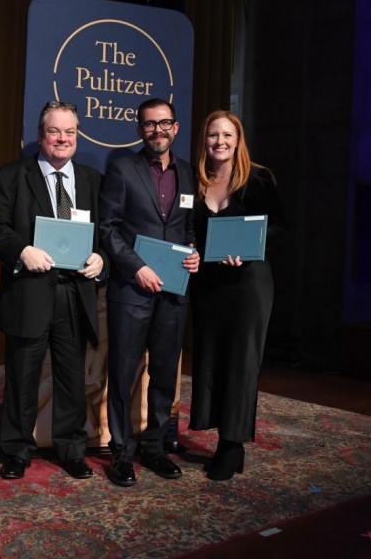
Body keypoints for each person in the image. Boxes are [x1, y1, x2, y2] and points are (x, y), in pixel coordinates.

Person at [0, 101, 108, 481]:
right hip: (29, 289)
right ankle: (17, 450)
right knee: (21, 377)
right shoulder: (11, 176)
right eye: (54, 131)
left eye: (70, 132)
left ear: (77, 136)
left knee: (72, 378)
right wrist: (22, 251)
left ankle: (72, 450)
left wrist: (101, 257)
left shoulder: (92, 180)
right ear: (41, 136)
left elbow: (106, 231)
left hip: (76, 293)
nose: (62, 139)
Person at [98, 97, 200, 487]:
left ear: (175, 128)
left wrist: (194, 255)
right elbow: (108, 228)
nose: (157, 131)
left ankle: (154, 446)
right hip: (131, 289)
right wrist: (136, 267)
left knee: (163, 373)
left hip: (173, 293)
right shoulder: (122, 168)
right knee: (123, 372)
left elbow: (188, 229)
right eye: (149, 125)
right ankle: (121, 451)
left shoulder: (189, 174)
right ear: (139, 129)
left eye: (164, 124)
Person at [189, 110, 288, 480]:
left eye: (227, 135)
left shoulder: (258, 178)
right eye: (213, 135)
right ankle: (220, 435)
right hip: (209, 286)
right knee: (212, 358)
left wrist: (250, 247)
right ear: (205, 140)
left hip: (249, 284)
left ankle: (232, 445)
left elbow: (280, 227)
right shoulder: (194, 181)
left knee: (242, 362)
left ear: (238, 139)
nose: (220, 142)